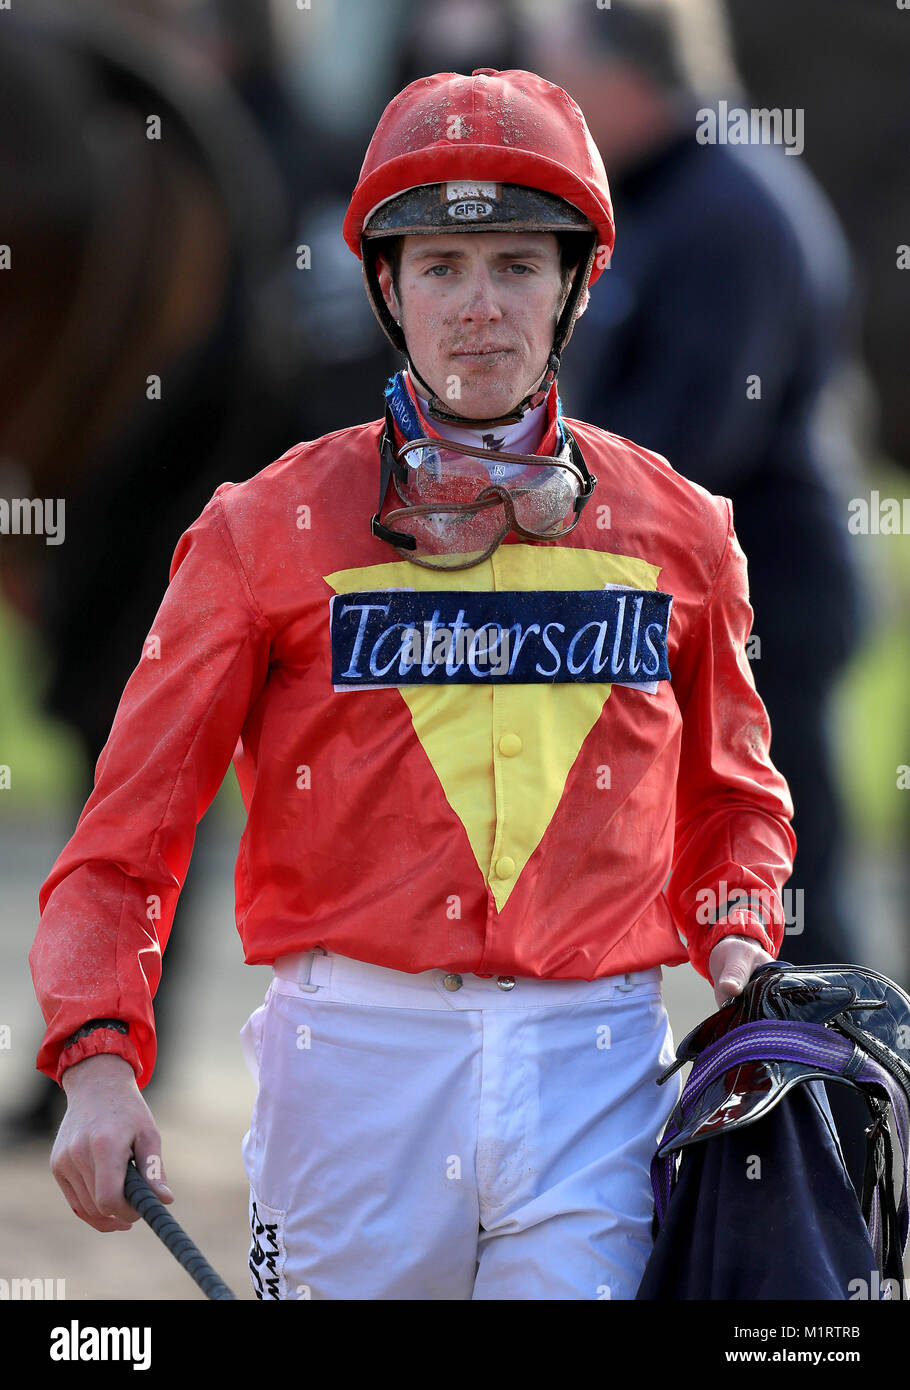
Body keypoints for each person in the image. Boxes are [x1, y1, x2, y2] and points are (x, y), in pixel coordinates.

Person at [30, 68, 796, 1301]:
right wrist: (100, 1058)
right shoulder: (255, 530)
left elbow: (733, 804)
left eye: (515, 267)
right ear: (386, 289)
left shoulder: (685, 534)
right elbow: (125, 843)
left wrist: (740, 948)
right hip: (350, 1070)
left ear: (574, 284)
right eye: (440, 266)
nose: (478, 309)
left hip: (593, 1066)